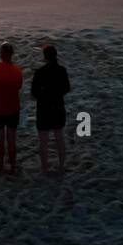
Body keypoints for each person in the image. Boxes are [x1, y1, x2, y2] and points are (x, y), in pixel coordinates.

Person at [31, 43, 70, 174]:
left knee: (43, 140)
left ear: (45, 57)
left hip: (43, 108)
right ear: (56, 56)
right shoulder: (62, 71)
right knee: (59, 137)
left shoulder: (40, 72)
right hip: (57, 106)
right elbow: (66, 89)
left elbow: (34, 92)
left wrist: (44, 93)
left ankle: (44, 168)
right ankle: (61, 166)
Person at [0, 42, 23, 174]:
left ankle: (1, 167)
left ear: (1, 54)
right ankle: (13, 166)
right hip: (13, 108)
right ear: (12, 54)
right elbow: (19, 86)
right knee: (12, 139)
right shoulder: (17, 71)